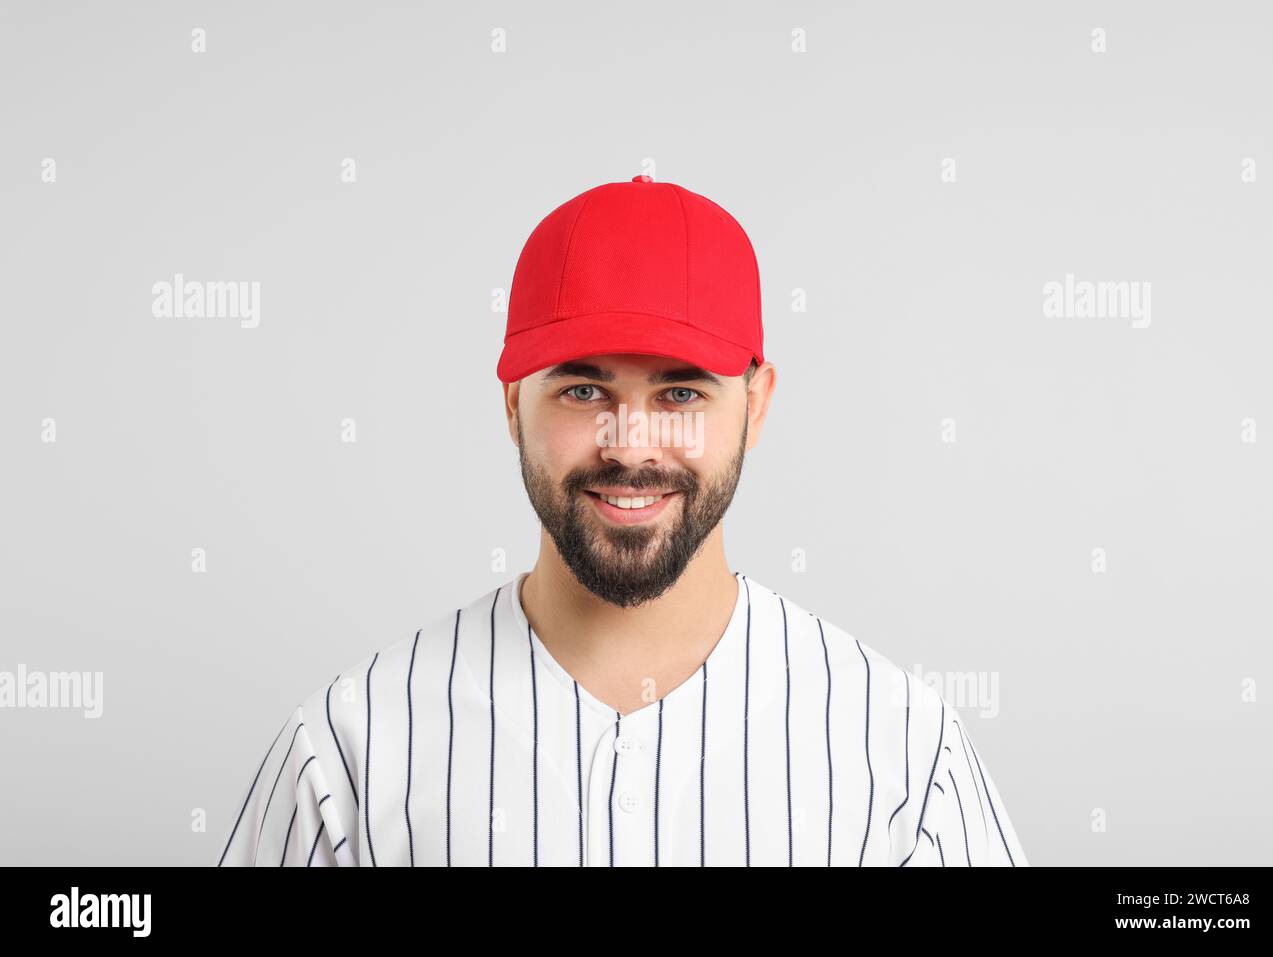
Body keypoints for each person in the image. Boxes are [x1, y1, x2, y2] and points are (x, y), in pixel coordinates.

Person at [214, 174, 1028, 867]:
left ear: (756, 404)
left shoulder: (902, 746)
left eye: (680, 392)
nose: (631, 444)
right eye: (582, 390)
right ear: (512, 405)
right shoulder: (352, 743)